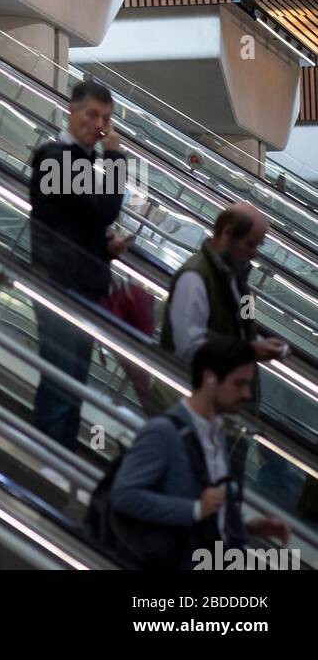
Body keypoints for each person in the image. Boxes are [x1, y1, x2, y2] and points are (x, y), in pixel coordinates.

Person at [108, 336, 288, 570]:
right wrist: (194, 510)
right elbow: (125, 496)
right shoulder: (163, 433)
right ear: (210, 379)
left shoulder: (217, 432)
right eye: (239, 383)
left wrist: (248, 528)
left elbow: (210, 510)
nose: (247, 394)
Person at [28, 78, 129, 451]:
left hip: (79, 282)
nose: (99, 124)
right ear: (72, 109)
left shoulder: (80, 161)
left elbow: (79, 220)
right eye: (92, 114)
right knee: (61, 378)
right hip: (59, 282)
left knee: (74, 381)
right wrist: (116, 157)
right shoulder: (54, 158)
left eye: (105, 118)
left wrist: (104, 244)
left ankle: (59, 459)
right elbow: (102, 209)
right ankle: (44, 462)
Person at [162, 203, 287, 369]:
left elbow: (245, 325)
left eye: (258, 246)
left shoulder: (239, 279)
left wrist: (262, 343)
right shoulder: (194, 278)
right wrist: (249, 350)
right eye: (250, 244)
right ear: (227, 233)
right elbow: (187, 346)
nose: (254, 253)